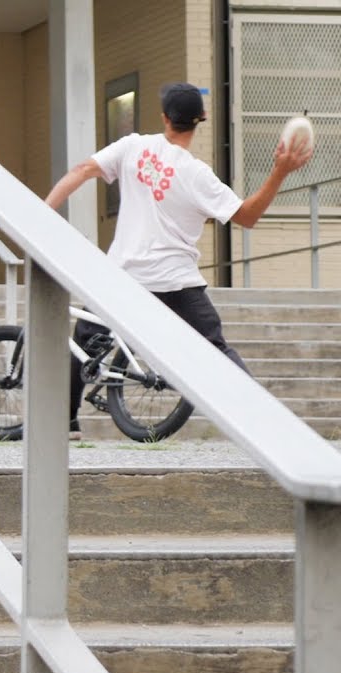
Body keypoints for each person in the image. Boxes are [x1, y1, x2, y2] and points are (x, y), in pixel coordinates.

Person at [45, 82, 313, 439]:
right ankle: (269, 426)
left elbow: (81, 170)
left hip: (122, 276)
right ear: (199, 122)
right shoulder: (196, 174)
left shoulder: (132, 146)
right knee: (215, 349)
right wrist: (279, 172)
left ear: (164, 118)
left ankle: (66, 422)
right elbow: (247, 216)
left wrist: (44, 212)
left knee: (84, 339)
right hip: (175, 282)